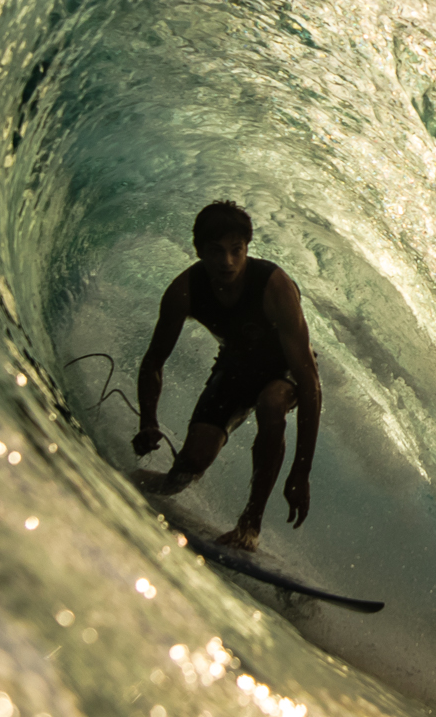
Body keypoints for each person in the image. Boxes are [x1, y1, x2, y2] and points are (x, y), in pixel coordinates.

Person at [131, 200, 321, 551]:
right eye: (216, 251)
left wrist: (301, 472)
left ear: (248, 249)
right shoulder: (184, 291)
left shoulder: (273, 286)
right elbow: (153, 361)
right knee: (187, 469)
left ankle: (250, 525)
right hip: (236, 367)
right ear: (199, 251)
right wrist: (147, 421)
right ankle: (135, 481)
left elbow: (309, 382)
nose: (227, 262)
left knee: (271, 403)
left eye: (237, 250)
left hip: (285, 371)